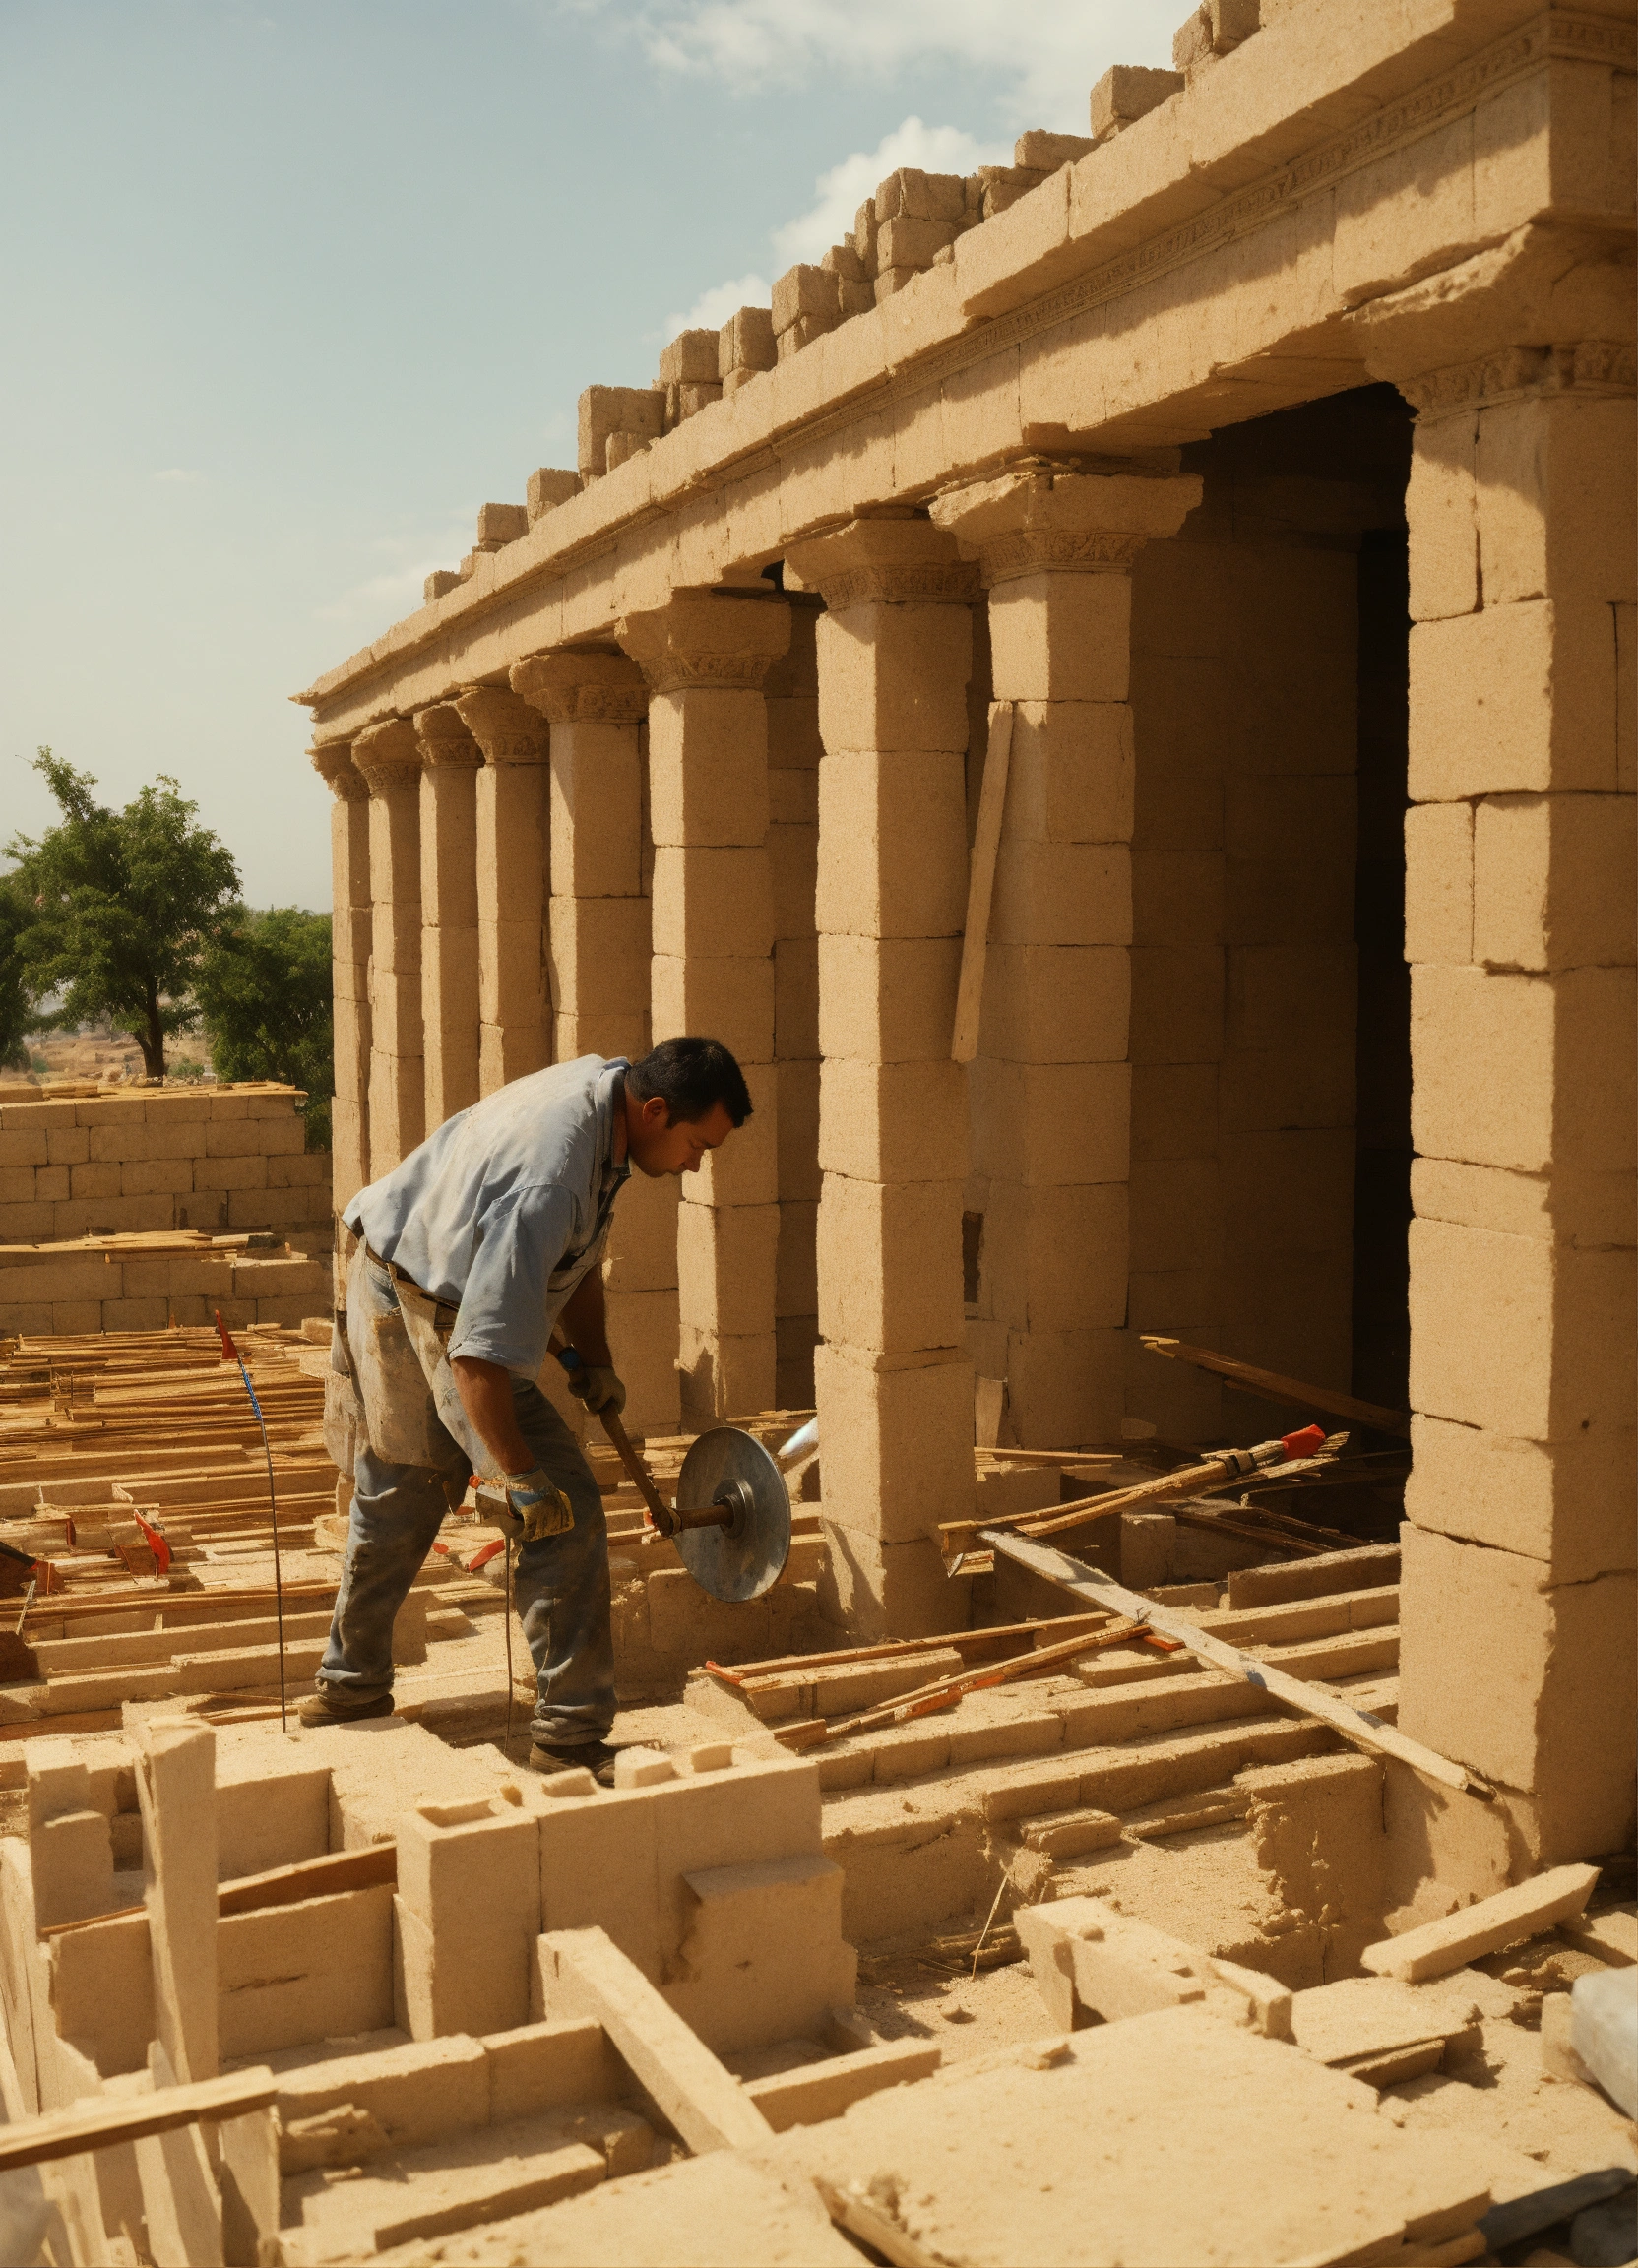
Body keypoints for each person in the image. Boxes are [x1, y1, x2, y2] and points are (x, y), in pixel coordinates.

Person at [307, 1036, 751, 1785]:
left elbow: (573, 1259)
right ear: (652, 1111)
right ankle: (565, 1735)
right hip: (409, 1298)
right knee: (549, 1507)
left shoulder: (607, 1105)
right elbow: (477, 1354)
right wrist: (519, 1478)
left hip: (426, 1271)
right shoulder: (551, 1176)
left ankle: (352, 1685)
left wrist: (595, 1358)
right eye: (695, 1144)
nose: (695, 1164)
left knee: (408, 1489)